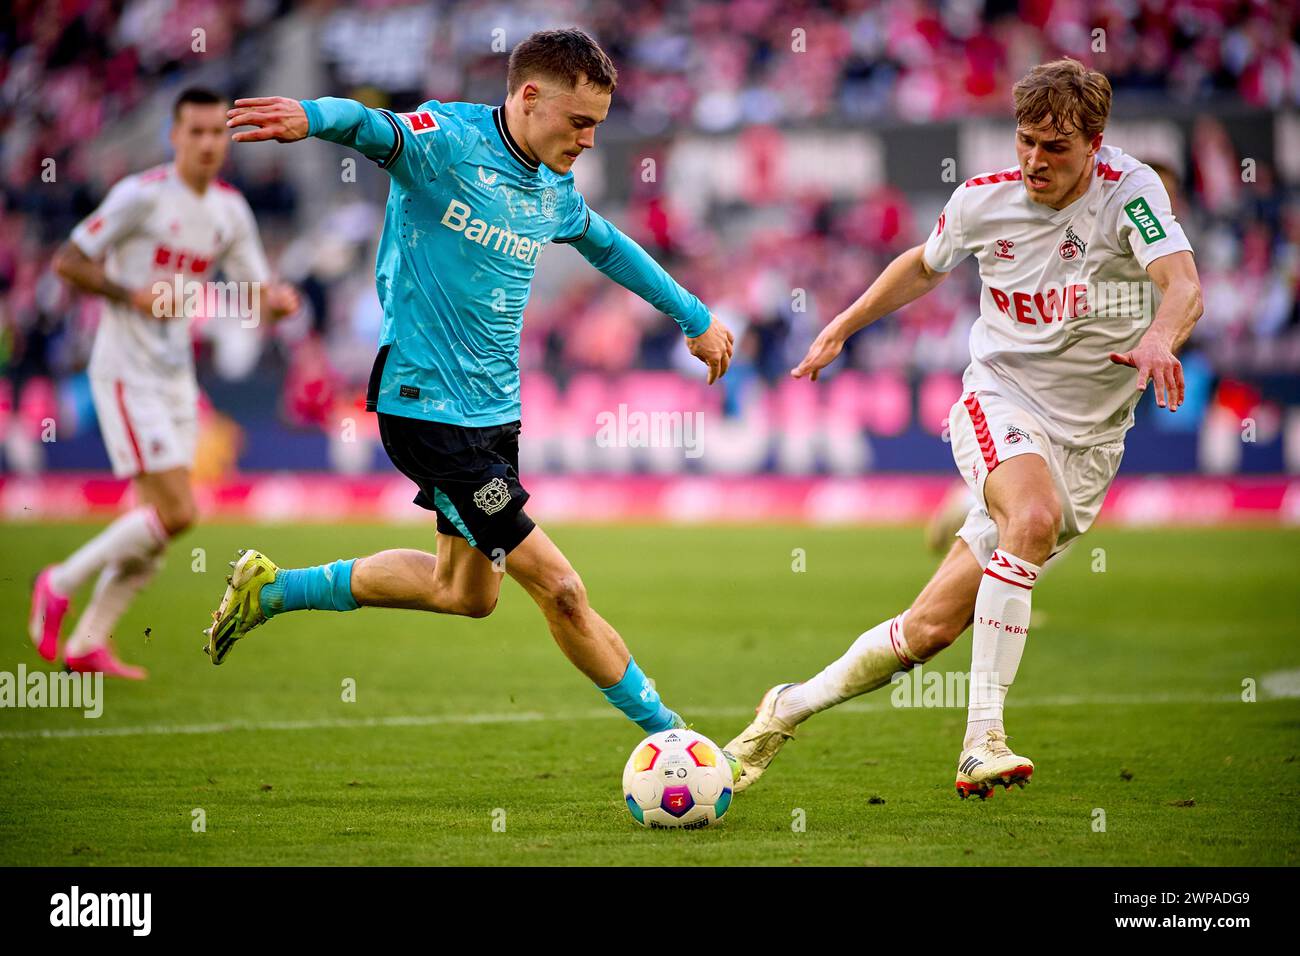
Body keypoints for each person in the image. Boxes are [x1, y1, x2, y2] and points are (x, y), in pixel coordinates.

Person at [203, 29, 735, 737]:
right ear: (529, 96)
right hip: (426, 408)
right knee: (563, 589)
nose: (588, 140)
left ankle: (274, 589)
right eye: (579, 122)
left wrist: (692, 315)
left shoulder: (551, 190)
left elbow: (608, 246)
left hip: (493, 417)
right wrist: (311, 115)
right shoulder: (445, 141)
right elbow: (371, 127)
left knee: (466, 593)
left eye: (597, 126)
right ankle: (675, 738)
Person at [725, 59, 1202, 798]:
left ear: (1096, 144)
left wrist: (1161, 337)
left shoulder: (1132, 192)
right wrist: (845, 325)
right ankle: (982, 740)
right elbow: (924, 264)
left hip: (1092, 444)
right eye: (1026, 141)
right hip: (1000, 399)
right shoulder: (984, 200)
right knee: (1032, 515)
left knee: (928, 630)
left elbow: (1183, 283)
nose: (1035, 160)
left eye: (1056, 147)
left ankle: (784, 708)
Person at [29, 87, 299, 678]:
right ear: (173, 136)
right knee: (178, 513)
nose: (206, 144)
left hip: (177, 376)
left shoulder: (230, 211)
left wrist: (277, 303)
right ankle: (58, 581)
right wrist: (129, 294)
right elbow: (68, 262)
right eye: (195, 132)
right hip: (125, 370)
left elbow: (256, 293)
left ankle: (87, 645)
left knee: (150, 527)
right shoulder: (141, 197)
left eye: (215, 133)